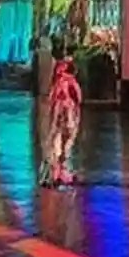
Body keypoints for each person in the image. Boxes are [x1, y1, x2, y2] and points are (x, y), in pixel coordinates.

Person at [41, 58, 83, 187]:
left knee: (55, 141)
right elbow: (79, 97)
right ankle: (62, 172)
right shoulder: (71, 81)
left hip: (58, 113)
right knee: (67, 144)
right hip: (69, 113)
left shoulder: (57, 82)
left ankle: (54, 173)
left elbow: (51, 98)